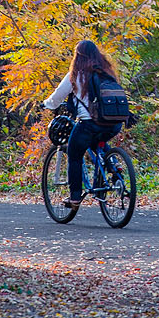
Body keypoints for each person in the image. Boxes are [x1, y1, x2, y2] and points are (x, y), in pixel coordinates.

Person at [42, 39, 127, 208]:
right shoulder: (107, 71)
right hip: (114, 123)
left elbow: (58, 96)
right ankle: (114, 168)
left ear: (78, 56)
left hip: (88, 124)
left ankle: (74, 198)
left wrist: (46, 104)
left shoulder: (76, 74)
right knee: (99, 141)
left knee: (75, 155)